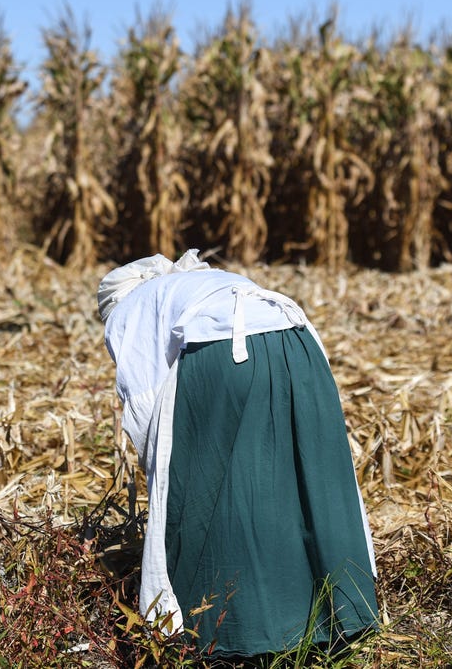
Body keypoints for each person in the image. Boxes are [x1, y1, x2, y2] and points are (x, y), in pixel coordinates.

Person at [98, 249, 378, 658]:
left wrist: (167, 478)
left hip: (222, 357)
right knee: (305, 482)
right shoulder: (205, 283)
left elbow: (145, 401)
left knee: (217, 501)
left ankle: (227, 635)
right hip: (301, 347)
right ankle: (341, 617)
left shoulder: (130, 308)